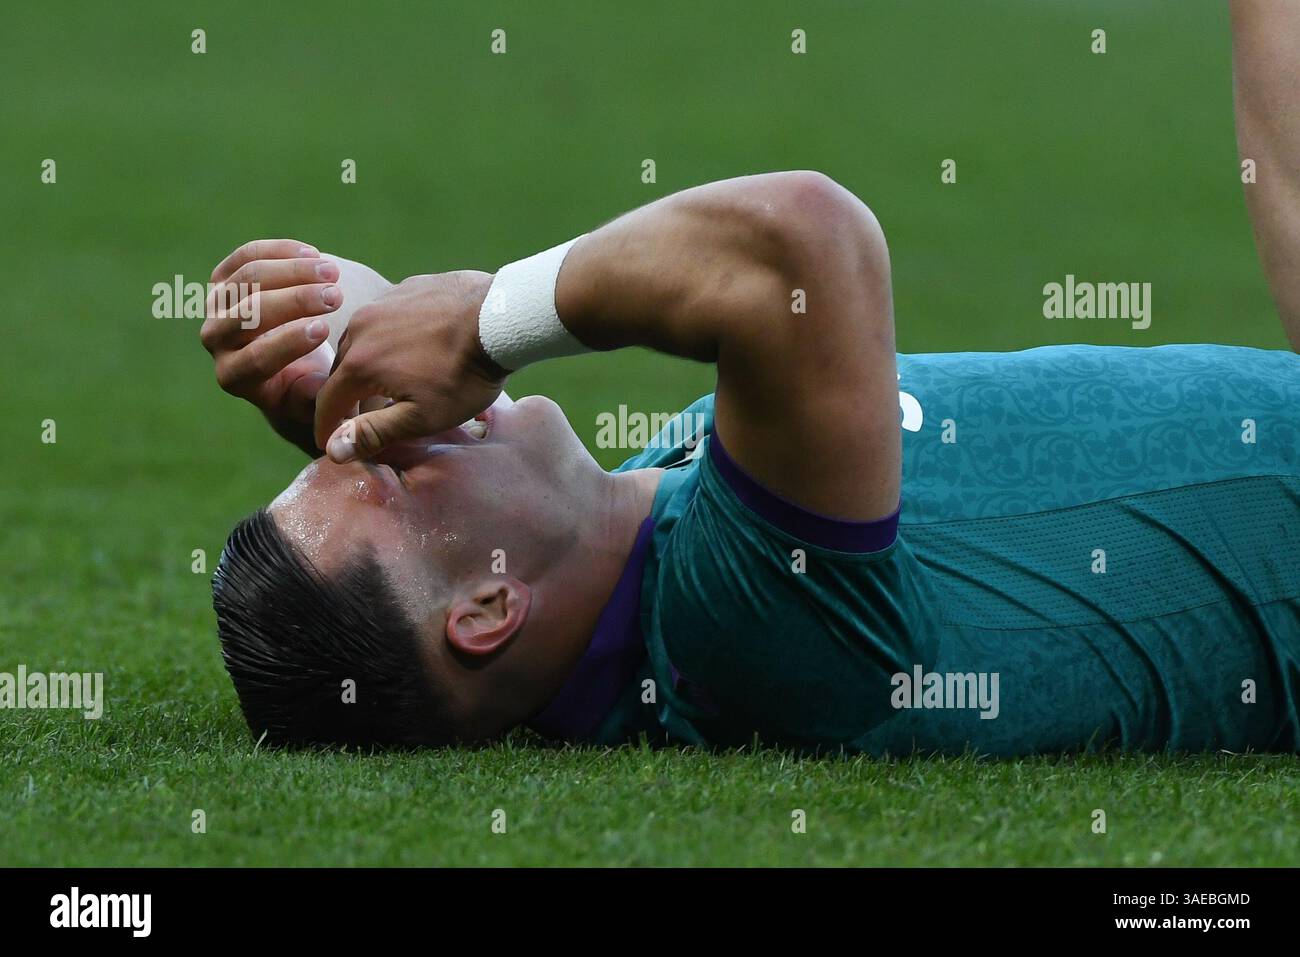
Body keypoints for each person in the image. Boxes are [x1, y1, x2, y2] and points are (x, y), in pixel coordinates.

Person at [200, 5, 1300, 752]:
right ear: (489, 608)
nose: (390, 434)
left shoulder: (633, 541)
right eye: (391, 472)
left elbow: (413, 562)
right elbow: (794, 245)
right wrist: (486, 322)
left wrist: (349, 349)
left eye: (358, 437)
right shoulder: (745, 629)